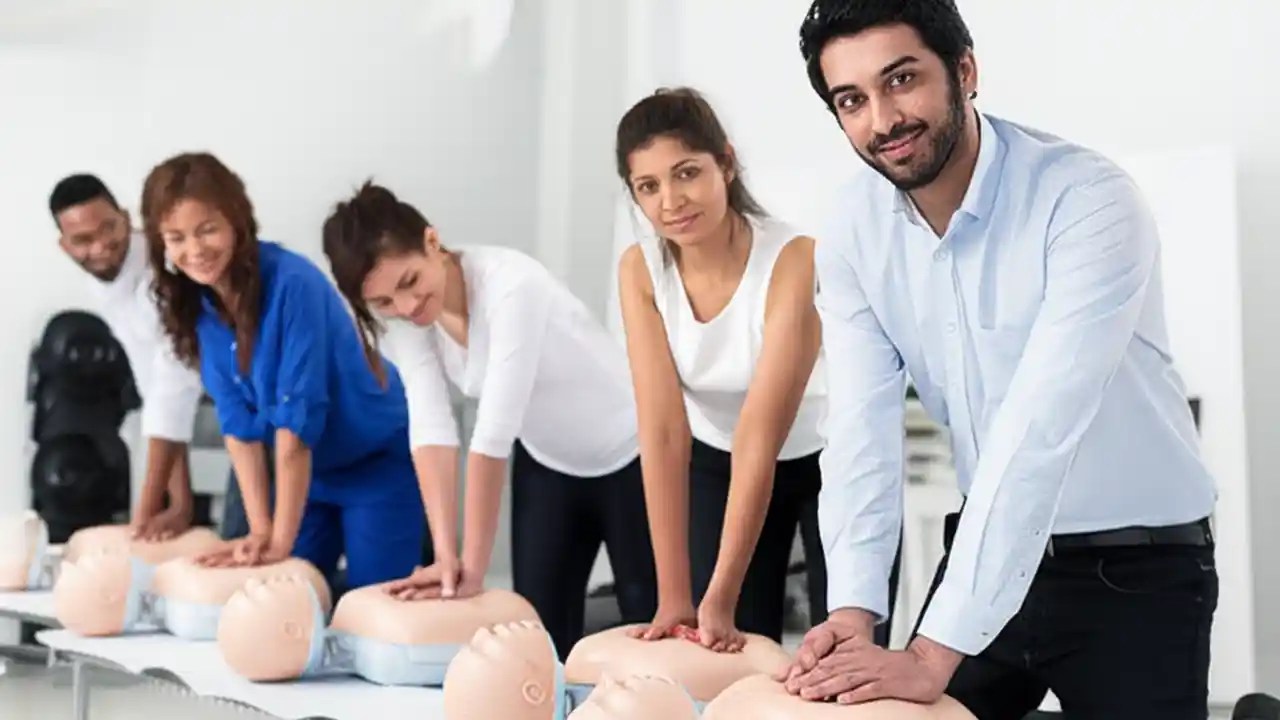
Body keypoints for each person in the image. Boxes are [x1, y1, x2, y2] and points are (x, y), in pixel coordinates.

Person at [781, 1, 1219, 717]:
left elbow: (1035, 436)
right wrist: (855, 608)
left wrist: (928, 654)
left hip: (1138, 568)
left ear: (965, 70)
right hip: (984, 554)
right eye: (851, 100)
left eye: (901, 80)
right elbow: (860, 430)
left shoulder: (1087, 202)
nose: (883, 119)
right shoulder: (853, 228)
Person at [320, 182, 657, 659]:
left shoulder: (513, 285)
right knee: (539, 634)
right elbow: (432, 428)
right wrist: (446, 558)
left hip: (632, 453)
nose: (407, 307)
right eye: (384, 304)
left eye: (410, 282)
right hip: (548, 461)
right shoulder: (406, 322)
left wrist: (472, 569)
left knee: (644, 621)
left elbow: (492, 434)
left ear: (432, 242)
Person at [140, 153, 427, 591]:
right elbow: (238, 428)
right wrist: (261, 533)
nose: (194, 251)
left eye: (207, 229)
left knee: (372, 607)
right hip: (310, 479)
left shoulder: (294, 283)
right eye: (176, 238)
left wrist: (278, 543)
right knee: (283, 598)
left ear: (237, 219)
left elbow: (296, 426)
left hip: (376, 463)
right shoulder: (198, 306)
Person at [614, 87, 829, 652]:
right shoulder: (641, 270)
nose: (671, 201)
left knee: (836, 654)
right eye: (648, 186)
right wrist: (675, 596)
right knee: (731, 650)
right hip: (719, 458)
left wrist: (720, 593)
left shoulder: (795, 258)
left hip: (827, 459)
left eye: (687, 173)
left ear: (726, 163)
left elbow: (760, 431)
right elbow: (662, 431)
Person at [49, 173, 258, 542]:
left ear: (126, 219)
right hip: (211, 402)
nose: (99, 247)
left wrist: (143, 517)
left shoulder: (163, 275)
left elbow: (173, 390)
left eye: (108, 229)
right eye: (83, 240)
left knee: (244, 541)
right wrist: (178, 505)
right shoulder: (101, 283)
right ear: (64, 246)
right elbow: (155, 391)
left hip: (263, 405)